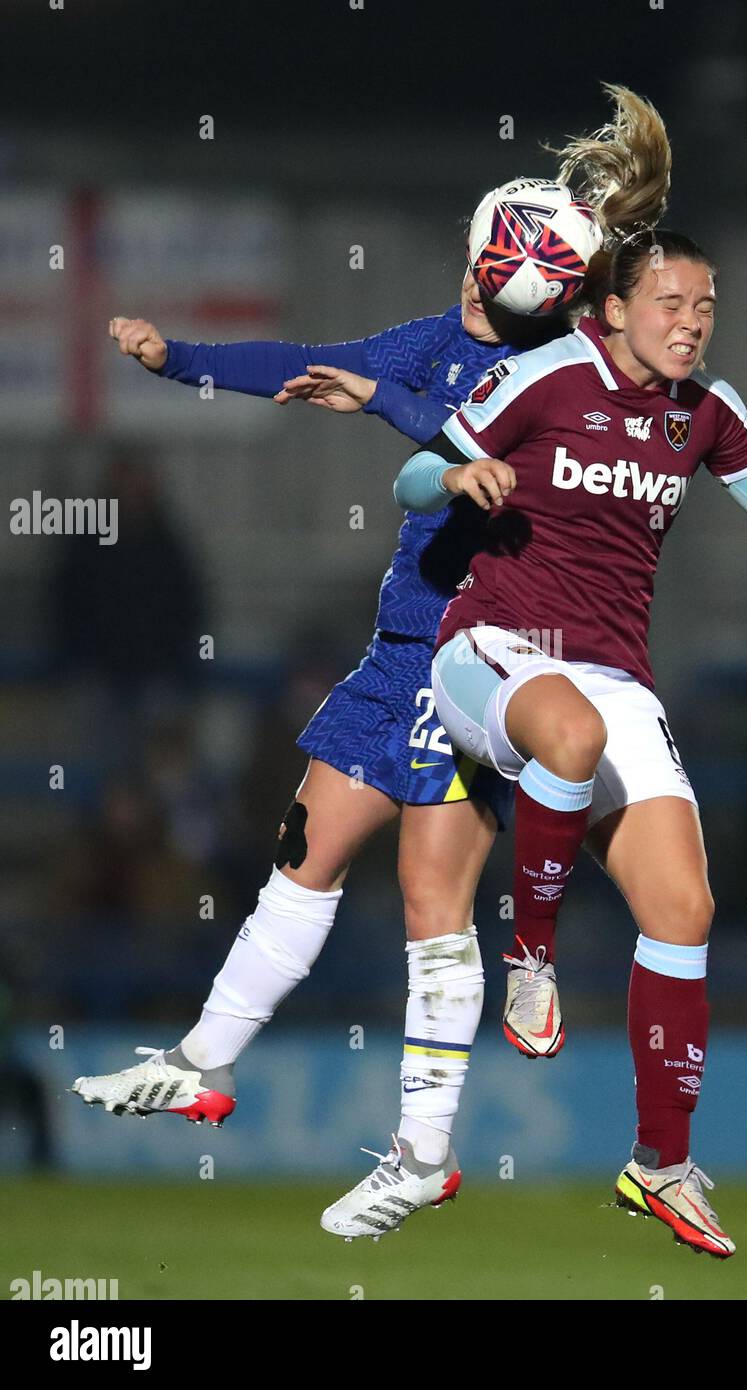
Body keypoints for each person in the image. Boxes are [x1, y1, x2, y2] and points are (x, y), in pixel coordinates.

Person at [70, 85, 674, 1239]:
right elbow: (306, 363)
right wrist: (176, 357)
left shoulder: (559, 376)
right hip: (397, 648)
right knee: (303, 848)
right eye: (468, 259)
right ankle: (203, 1058)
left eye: (484, 264)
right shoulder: (431, 345)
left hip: (480, 658)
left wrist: (400, 413)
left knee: (429, 897)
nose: (466, 279)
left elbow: (453, 433)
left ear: (526, 280)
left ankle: (424, 1148)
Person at [394, 227, 747, 1256]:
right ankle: (531, 954)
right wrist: (450, 484)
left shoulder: (706, 409)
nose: (692, 321)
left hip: (609, 676)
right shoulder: (541, 377)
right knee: (564, 730)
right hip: (488, 647)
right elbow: (412, 476)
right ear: (611, 307)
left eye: (704, 305)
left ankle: (658, 1163)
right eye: (670, 301)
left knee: (684, 906)